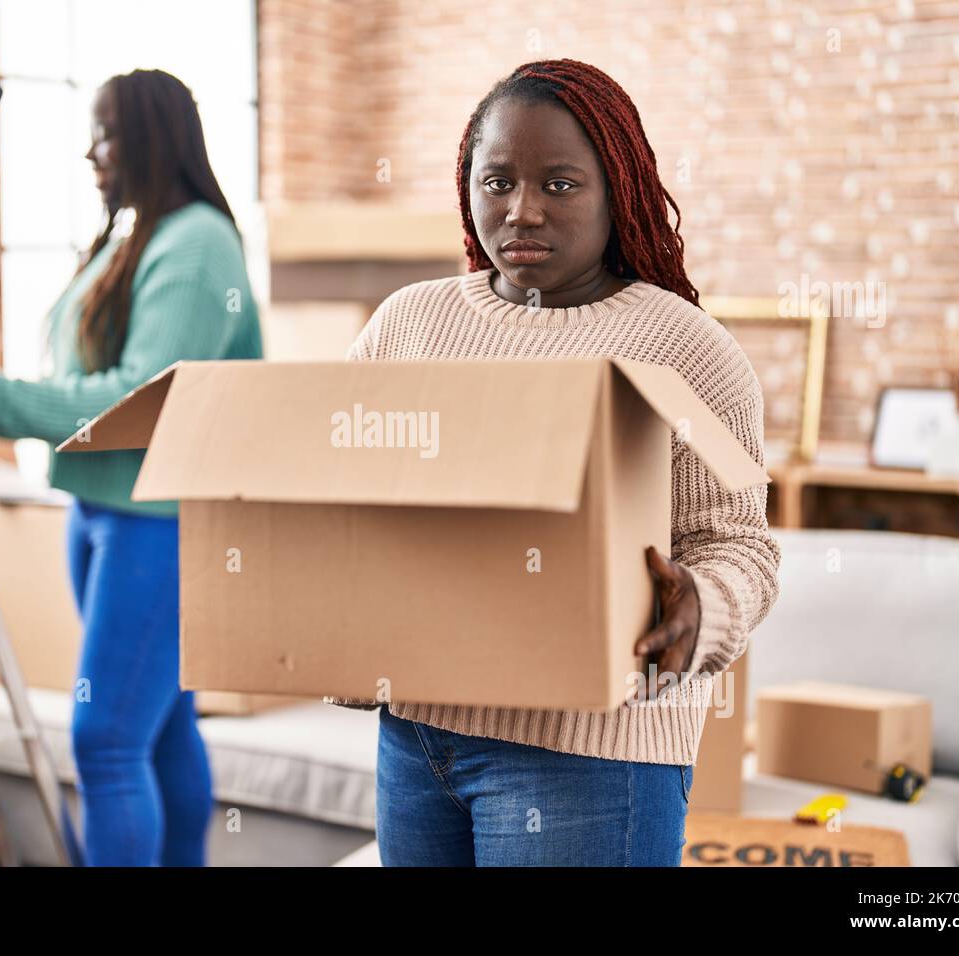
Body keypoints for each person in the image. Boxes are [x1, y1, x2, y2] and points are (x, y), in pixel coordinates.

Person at [326, 59, 781, 867]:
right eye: (495, 181)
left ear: (619, 190)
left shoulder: (685, 350)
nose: (522, 210)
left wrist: (701, 610)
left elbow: (740, 545)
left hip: (592, 754)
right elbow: (340, 496)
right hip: (417, 736)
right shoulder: (408, 324)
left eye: (561, 185)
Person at [0, 69, 263, 866]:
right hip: (104, 514)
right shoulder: (131, 237)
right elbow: (93, 380)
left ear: (150, 138)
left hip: (162, 525)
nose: (89, 151)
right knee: (161, 731)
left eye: (103, 133)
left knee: (104, 744)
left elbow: (141, 400)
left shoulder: (197, 242)